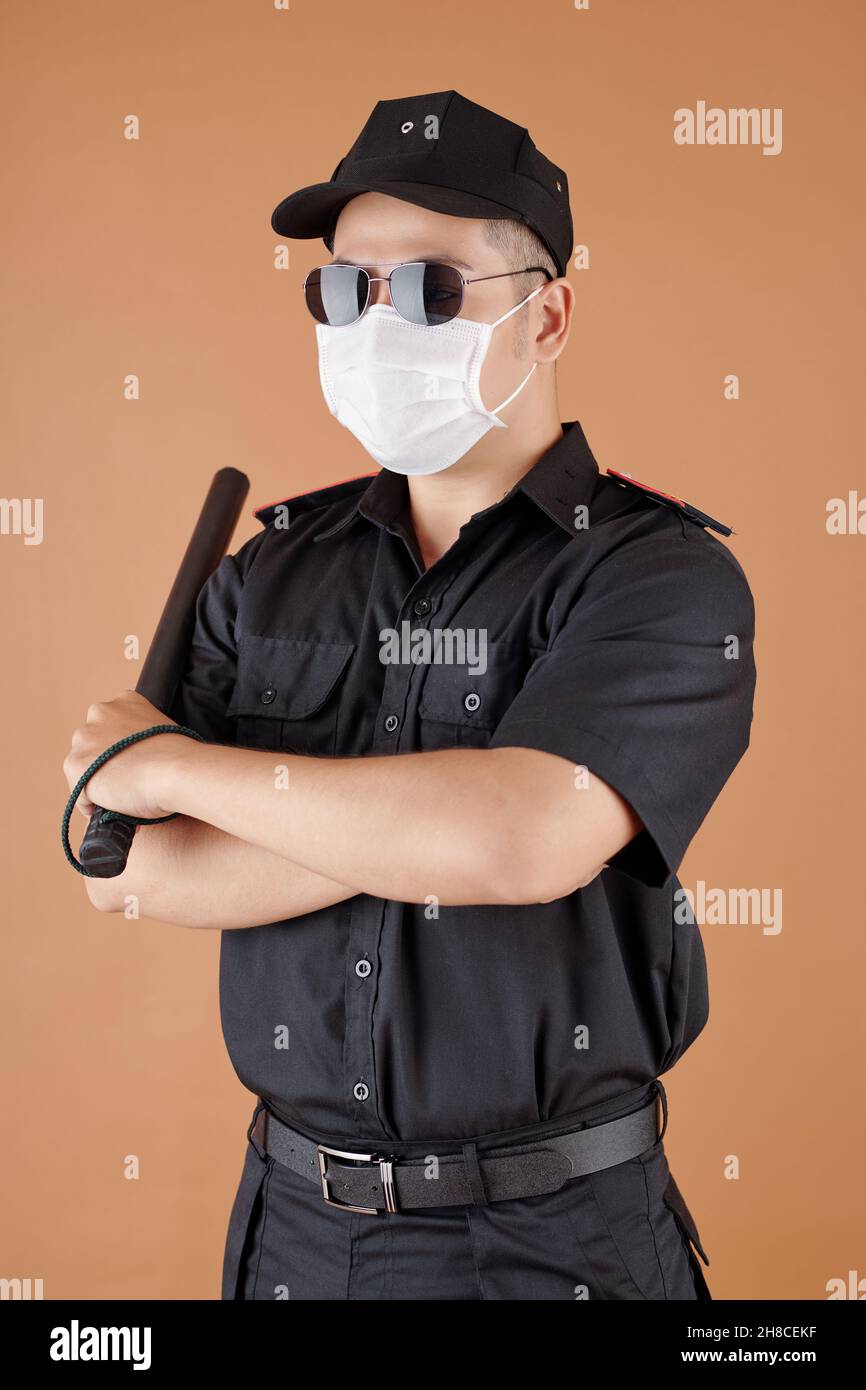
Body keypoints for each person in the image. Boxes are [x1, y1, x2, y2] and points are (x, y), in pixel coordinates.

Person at [64, 90, 756, 1300]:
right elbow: (141, 869)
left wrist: (171, 763)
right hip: (291, 1233)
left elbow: (525, 836)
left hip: (557, 1244)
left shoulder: (660, 573)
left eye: (434, 287)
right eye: (346, 289)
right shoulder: (268, 569)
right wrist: (437, 815)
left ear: (546, 318)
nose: (379, 322)